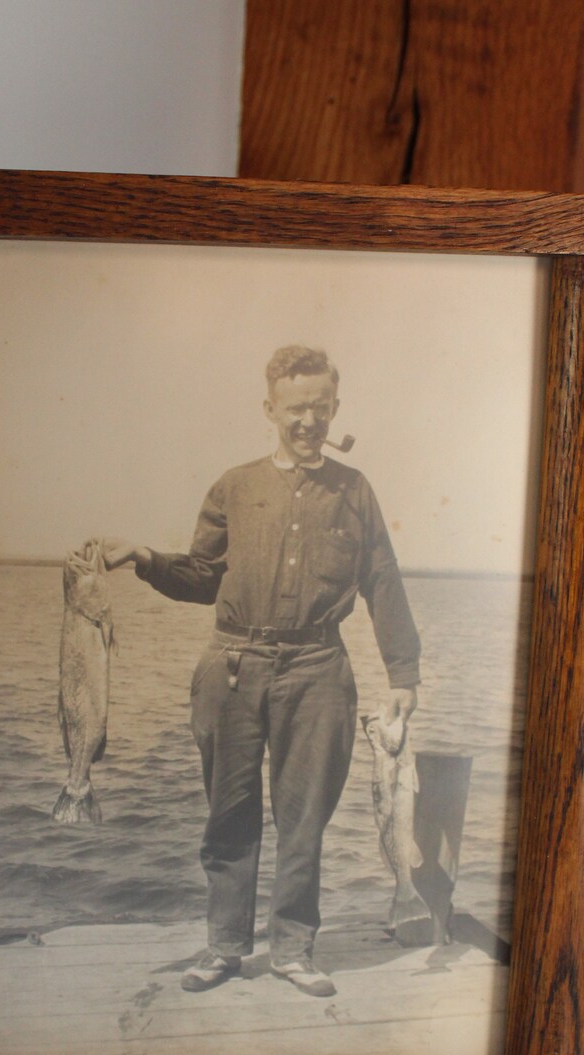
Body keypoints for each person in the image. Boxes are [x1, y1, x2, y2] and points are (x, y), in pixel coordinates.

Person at [103, 346, 420, 997]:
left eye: (320, 408)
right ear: (270, 408)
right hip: (233, 667)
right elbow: (199, 577)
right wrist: (142, 557)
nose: (308, 420)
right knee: (231, 811)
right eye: (295, 408)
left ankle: (294, 949)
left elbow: (383, 584)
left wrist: (403, 677)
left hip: (319, 668)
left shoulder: (354, 490)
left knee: (304, 818)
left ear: (335, 408)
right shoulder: (233, 486)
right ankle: (224, 945)